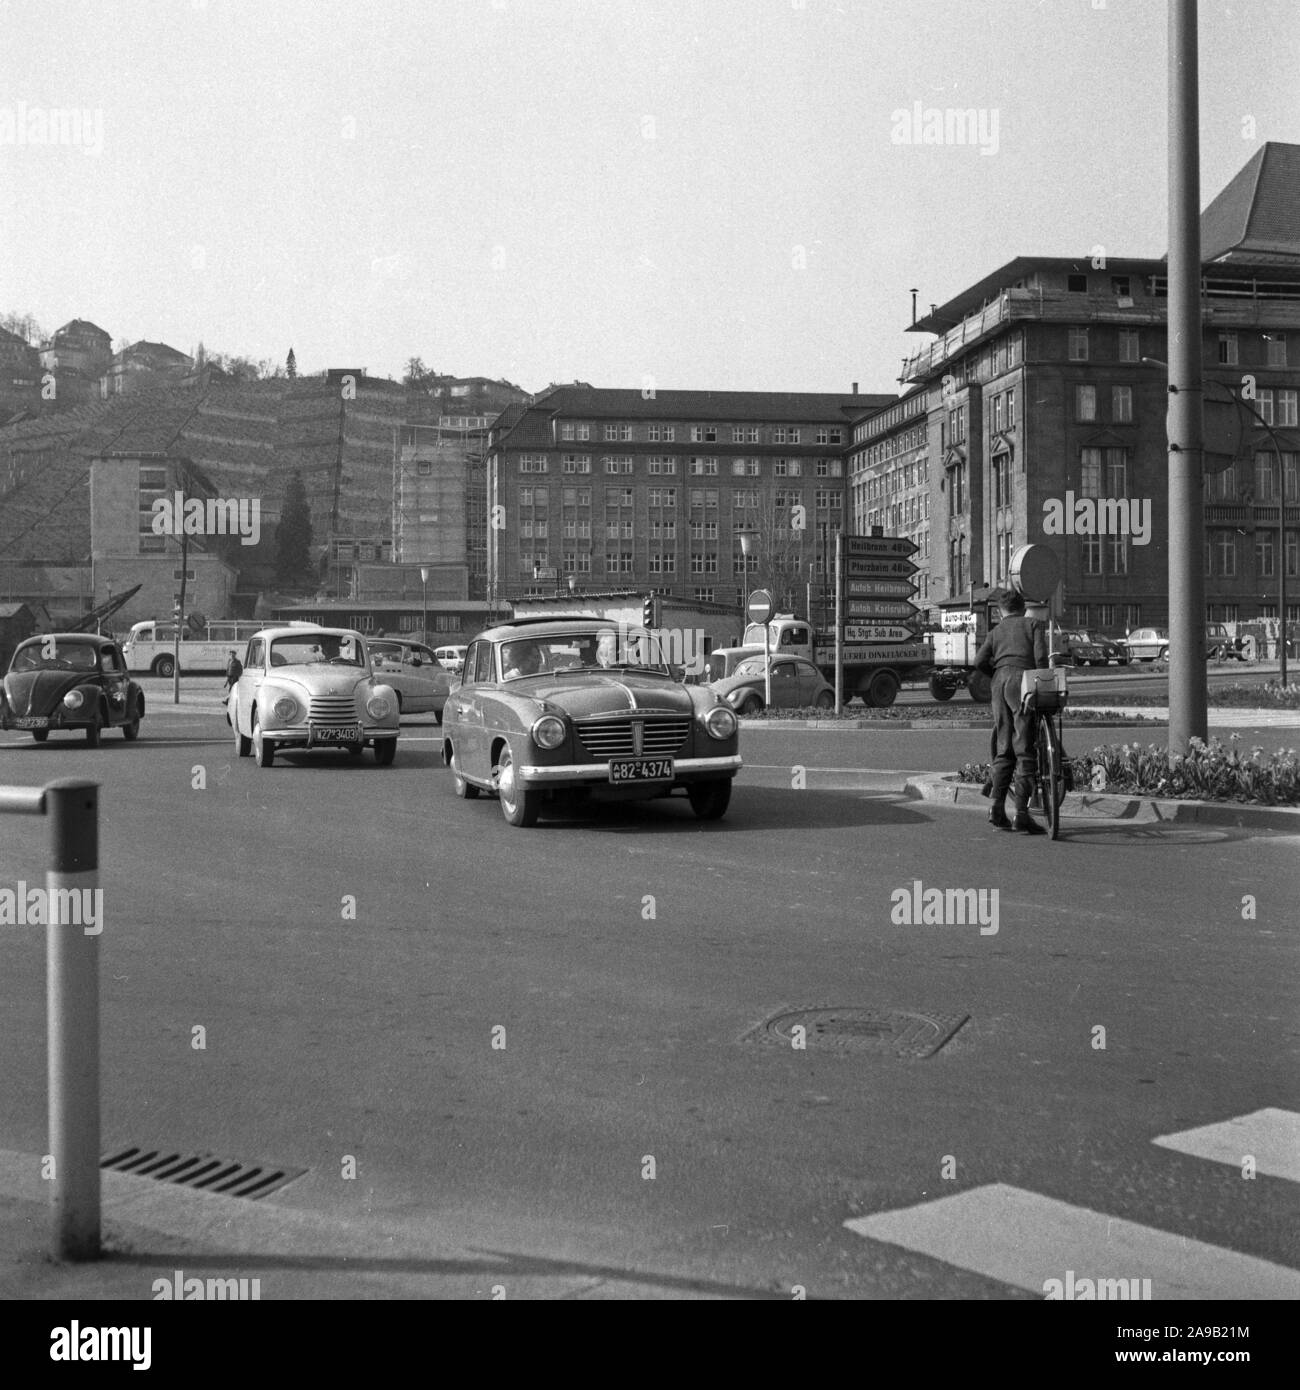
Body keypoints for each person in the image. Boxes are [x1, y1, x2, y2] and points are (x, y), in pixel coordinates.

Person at [973, 590, 1050, 834]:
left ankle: (996, 807)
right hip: (1023, 682)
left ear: (1000, 611)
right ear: (1023, 607)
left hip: (999, 683)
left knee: (1004, 746)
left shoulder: (995, 632)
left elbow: (978, 661)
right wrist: (1040, 684)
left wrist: (996, 673)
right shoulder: (1033, 624)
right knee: (1024, 747)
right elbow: (1040, 658)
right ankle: (1022, 814)